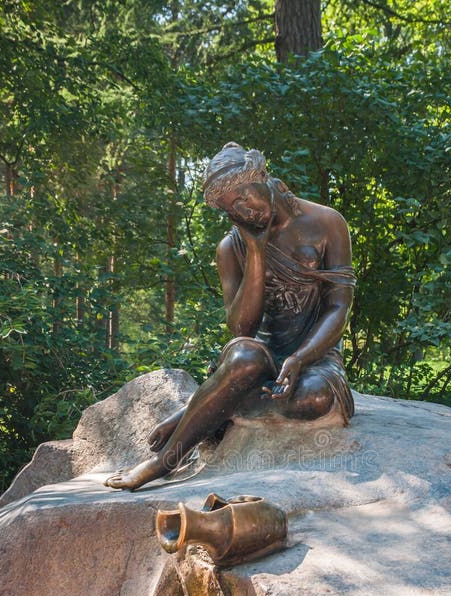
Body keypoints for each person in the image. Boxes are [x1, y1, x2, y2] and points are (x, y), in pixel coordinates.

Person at [105, 143, 356, 491]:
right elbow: (242, 329)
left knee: (313, 400)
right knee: (243, 356)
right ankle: (166, 460)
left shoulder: (327, 222)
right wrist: (255, 251)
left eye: (243, 196)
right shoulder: (231, 247)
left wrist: (300, 359)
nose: (243, 210)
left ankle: (206, 409)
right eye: (231, 209)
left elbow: (338, 307)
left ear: (263, 178)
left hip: (314, 358)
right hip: (258, 359)